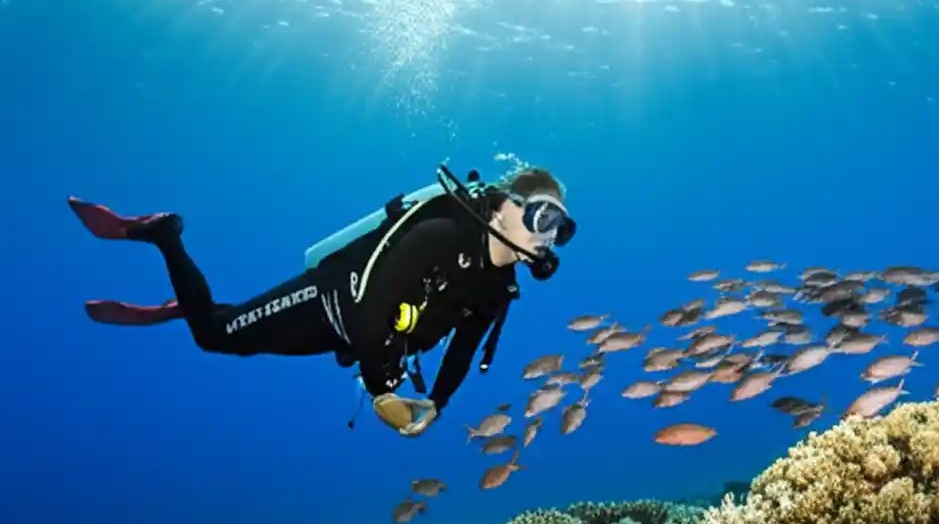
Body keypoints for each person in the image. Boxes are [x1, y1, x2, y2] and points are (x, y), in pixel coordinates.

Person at [67, 164, 576, 437]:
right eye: (542, 217)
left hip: (354, 337)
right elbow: (376, 301)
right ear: (503, 206)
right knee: (214, 337)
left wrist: (438, 403)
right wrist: (381, 391)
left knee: (226, 333)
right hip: (329, 301)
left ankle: (190, 304)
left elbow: (465, 345)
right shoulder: (441, 235)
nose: (549, 237)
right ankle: (164, 235)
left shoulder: (500, 286)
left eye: (561, 227)